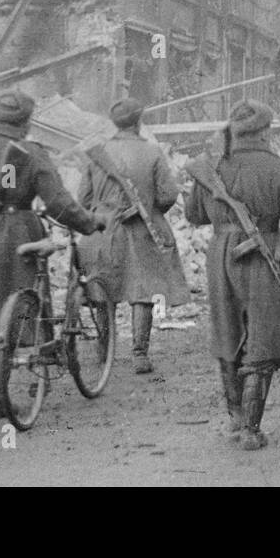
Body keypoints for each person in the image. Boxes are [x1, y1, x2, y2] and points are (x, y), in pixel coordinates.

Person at [184, 99, 280, 450]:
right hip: (266, 253)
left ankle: (236, 418)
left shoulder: (209, 167)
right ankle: (250, 427)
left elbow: (194, 215)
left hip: (220, 256)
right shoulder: (278, 168)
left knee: (229, 333)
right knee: (263, 336)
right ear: (265, 132)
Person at [0, 91, 102, 419]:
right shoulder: (30, 152)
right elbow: (58, 203)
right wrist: (89, 223)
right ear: (28, 121)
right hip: (15, 233)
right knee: (10, 309)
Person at [79, 97, 189, 374]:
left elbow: (83, 199)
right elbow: (168, 194)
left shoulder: (98, 152)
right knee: (143, 290)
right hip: (141, 229)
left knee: (102, 289)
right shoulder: (152, 152)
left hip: (103, 230)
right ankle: (139, 355)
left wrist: (104, 209)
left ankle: (104, 352)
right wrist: (150, 210)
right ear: (139, 121)